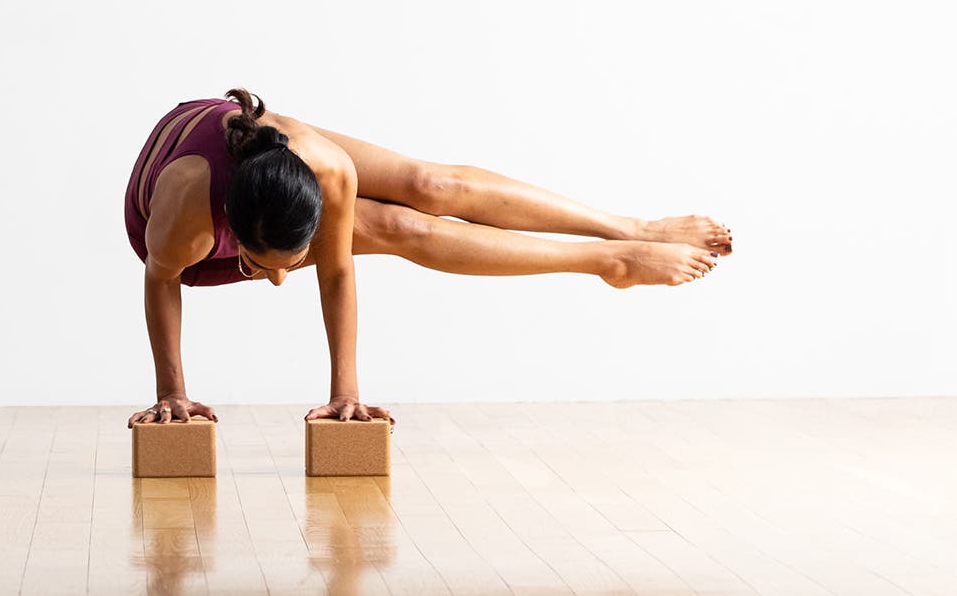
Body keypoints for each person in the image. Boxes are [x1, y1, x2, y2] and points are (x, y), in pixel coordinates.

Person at [123, 87, 733, 428]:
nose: (282, 280)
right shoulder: (189, 223)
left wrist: (346, 393)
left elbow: (334, 269)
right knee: (393, 227)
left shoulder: (328, 167)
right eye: (265, 266)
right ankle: (602, 262)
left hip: (262, 166)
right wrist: (171, 392)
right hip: (170, 228)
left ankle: (628, 229)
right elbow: (160, 282)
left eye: (292, 260)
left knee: (430, 187)